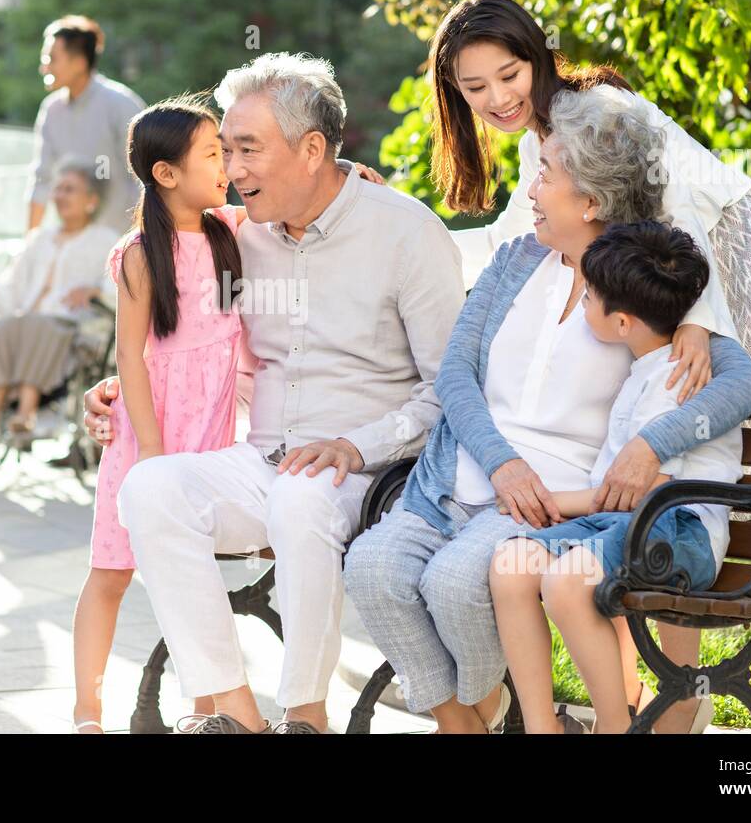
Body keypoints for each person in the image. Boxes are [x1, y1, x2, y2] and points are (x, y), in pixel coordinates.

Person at [428, 0, 751, 733]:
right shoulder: (546, 147)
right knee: (670, 427)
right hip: (672, 272)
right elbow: (519, 239)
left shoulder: (596, 110)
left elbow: (681, 208)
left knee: (696, 422)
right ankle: (649, 696)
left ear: (538, 58)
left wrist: (697, 319)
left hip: (726, 255)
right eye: (475, 89)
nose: (498, 99)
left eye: (509, 75)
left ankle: (680, 702)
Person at [343, 86, 751, 734]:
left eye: (545, 174)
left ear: (592, 200)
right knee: (371, 568)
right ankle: (469, 721)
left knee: (460, 584)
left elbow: (742, 384)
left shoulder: (642, 281)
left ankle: (494, 712)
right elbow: (457, 373)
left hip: (555, 498)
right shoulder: (517, 260)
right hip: (457, 482)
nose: (532, 190)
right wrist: (500, 461)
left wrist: (650, 444)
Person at [83, 53, 466, 733]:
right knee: (148, 489)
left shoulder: (404, 233)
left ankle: (304, 714)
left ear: (313, 149)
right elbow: (176, 319)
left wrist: (356, 444)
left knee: (301, 493)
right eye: (223, 150)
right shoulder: (242, 234)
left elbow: (450, 389)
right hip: (264, 459)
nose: (231, 169)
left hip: (372, 470)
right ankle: (236, 712)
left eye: (247, 150)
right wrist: (115, 385)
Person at [489, 221, 751, 734]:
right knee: (511, 565)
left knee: (567, 584)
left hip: (677, 531)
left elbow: (649, 494)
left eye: (589, 298)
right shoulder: (645, 365)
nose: (582, 305)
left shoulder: (676, 375)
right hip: (627, 523)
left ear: (624, 323)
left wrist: (555, 501)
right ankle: (544, 728)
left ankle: (615, 725)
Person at [71, 95, 246, 733]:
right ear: (166, 173)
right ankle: (87, 710)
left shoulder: (235, 230)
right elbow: (133, 357)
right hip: (150, 428)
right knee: (113, 571)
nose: (225, 163)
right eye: (211, 154)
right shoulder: (141, 254)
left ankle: (204, 709)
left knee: (191, 571)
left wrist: (356, 176)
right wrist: (149, 450)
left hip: (210, 430)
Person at [0, 160, 118, 450]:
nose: (60, 196)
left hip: (72, 326)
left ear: (92, 201)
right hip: (26, 323)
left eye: (70, 189)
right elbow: (11, 286)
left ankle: (25, 411)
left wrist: (95, 290)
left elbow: (118, 288)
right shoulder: (38, 239)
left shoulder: (106, 241)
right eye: (57, 189)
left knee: (36, 326)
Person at [26, 15, 145, 234]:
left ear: (80, 63)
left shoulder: (121, 105)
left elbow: (145, 179)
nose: (44, 68)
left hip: (122, 240)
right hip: (72, 243)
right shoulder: (51, 110)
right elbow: (42, 178)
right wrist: (29, 243)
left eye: (51, 59)